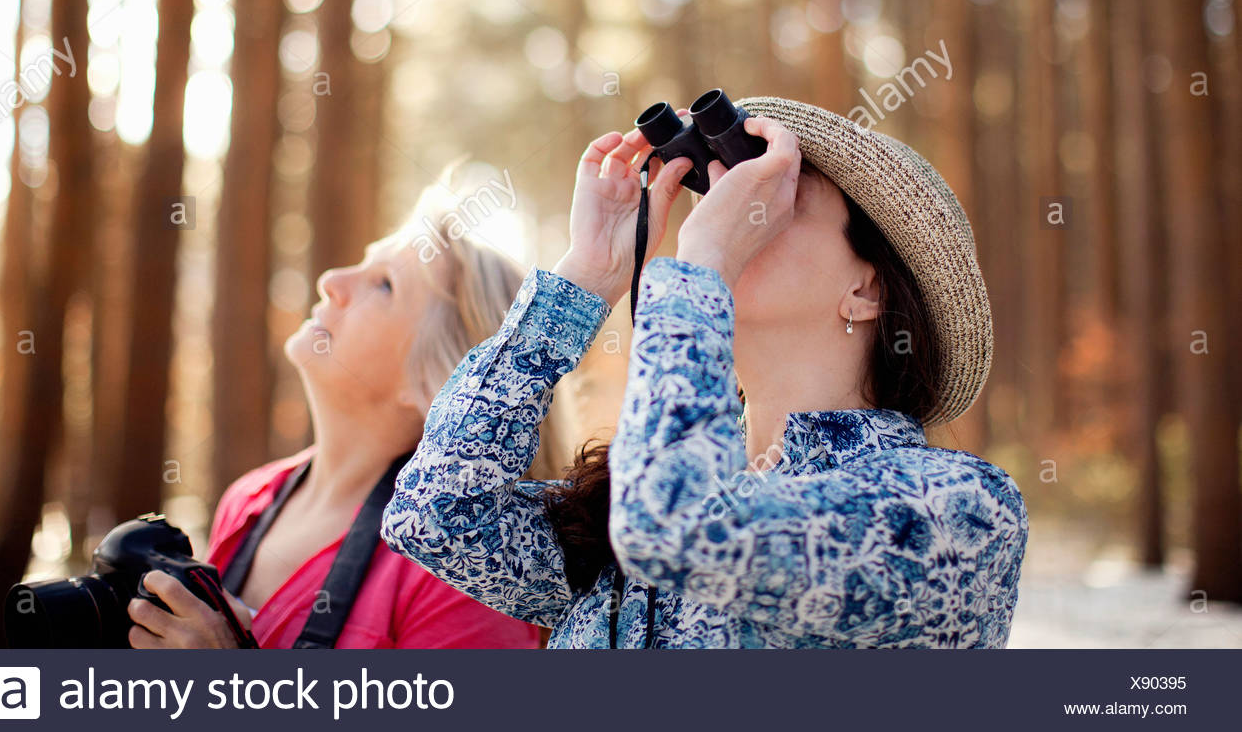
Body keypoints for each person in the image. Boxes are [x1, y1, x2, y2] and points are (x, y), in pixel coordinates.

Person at [382, 96, 1029, 648]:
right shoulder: (630, 500)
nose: (729, 210)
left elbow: (679, 528)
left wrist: (702, 272)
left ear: (867, 290)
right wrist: (586, 276)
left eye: (780, 197)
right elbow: (435, 512)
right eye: (725, 191)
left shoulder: (955, 508)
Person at [128, 168, 541, 649]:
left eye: (384, 285)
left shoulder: (460, 570)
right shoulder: (247, 501)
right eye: (363, 265)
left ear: (441, 385)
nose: (331, 281)